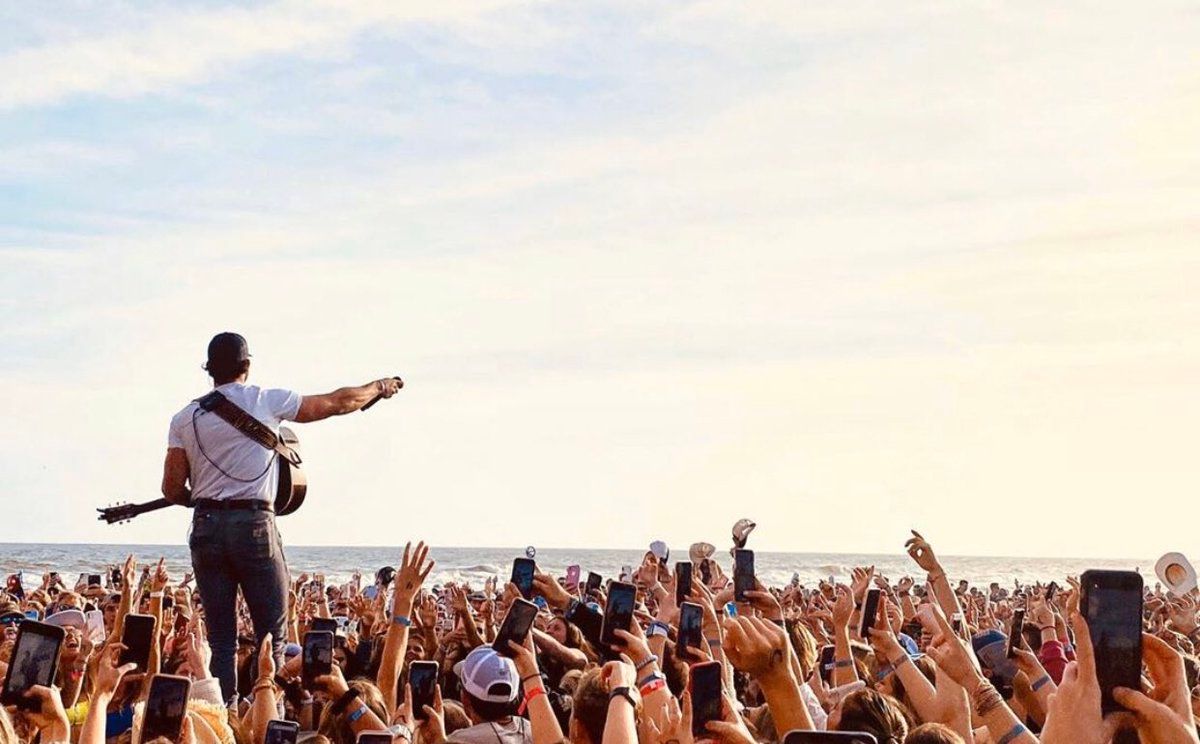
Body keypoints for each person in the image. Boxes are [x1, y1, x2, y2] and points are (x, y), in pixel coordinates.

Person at [160, 331, 403, 702]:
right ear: (247, 365)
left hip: (206, 526)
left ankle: (225, 718)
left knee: (221, 640)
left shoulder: (184, 417)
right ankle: (266, 713)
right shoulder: (265, 400)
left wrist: (211, 496)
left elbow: (173, 489)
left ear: (209, 370)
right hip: (254, 524)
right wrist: (379, 387)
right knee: (271, 636)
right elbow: (338, 402)